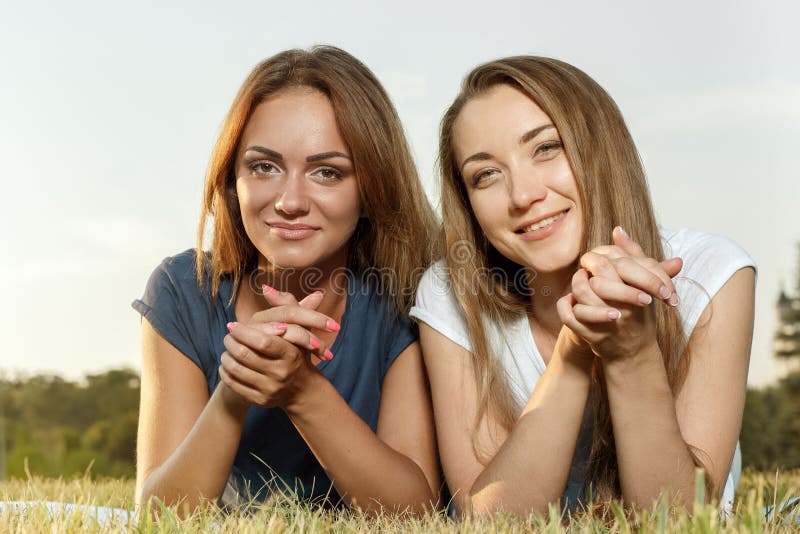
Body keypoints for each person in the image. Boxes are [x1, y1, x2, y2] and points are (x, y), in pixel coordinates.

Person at [411, 56, 755, 516]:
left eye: (546, 148)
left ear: (600, 148)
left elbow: (681, 521)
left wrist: (632, 355)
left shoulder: (712, 274)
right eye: (485, 174)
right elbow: (492, 523)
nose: (522, 195)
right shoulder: (450, 294)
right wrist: (575, 348)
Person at [132, 46, 440, 515]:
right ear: (232, 180)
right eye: (264, 166)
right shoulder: (183, 290)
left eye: (326, 172)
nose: (290, 200)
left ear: (372, 189)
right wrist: (235, 389)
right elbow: (159, 517)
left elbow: (416, 514)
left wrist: (302, 390)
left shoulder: (402, 300)